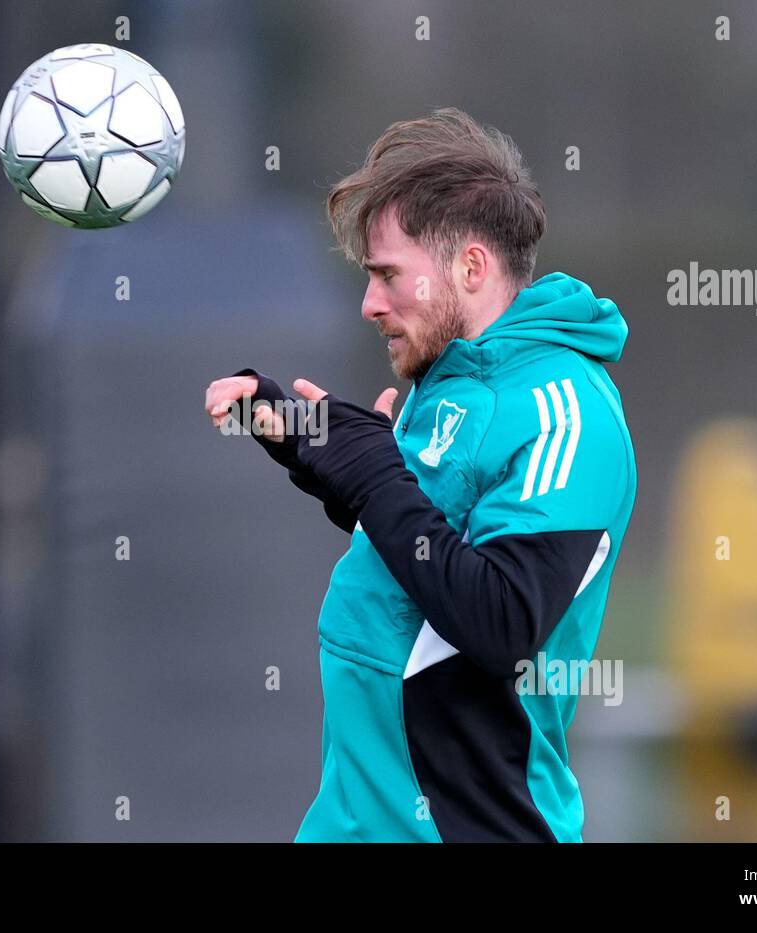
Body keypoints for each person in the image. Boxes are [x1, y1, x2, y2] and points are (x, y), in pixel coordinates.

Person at [204, 108, 637, 842]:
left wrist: (375, 474)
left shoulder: (568, 414)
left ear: (470, 267)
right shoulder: (450, 383)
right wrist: (316, 448)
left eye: (387, 275)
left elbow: (499, 621)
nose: (370, 303)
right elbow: (425, 542)